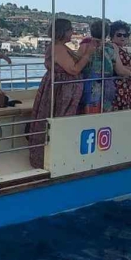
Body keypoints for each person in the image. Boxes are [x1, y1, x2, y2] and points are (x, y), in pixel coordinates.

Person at [23, 18, 94, 168]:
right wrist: (87, 55)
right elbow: (73, 69)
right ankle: (51, 158)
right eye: (69, 30)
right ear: (62, 31)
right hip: (60, 92)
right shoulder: (58, 48)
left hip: (62, 90)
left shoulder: (62, 46)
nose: (72, 33)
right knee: (59, 121)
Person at [79, 20, 113, 113]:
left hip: (88, 82)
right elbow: (118, 68)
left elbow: (77, 62)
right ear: (107, 33)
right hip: (107, 84)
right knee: (105, 110)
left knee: (87, 108)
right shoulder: (110, 48)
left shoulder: (85, 45)